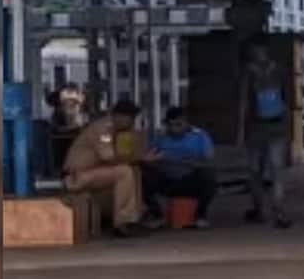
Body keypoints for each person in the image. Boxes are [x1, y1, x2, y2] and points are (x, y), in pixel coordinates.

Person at [62, 100, 152, 237]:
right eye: (131, 118)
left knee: (134, 171)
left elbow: (124, 157)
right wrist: (141, 158)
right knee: (124, 171)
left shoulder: (118, 131)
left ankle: (133, 219)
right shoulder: (103, 129)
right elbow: (108, 158)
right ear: (119, 117)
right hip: (76, 176)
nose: (132, 122)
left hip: (95, 174)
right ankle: (122, 223)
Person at [237, 35, 293, 229]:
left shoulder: (248, 72)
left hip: (255, 127)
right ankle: (279, 210)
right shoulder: (280, 70)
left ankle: (259, 210)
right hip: (277, 126)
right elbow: (288, 102)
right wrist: (289, 130)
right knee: (277, 170)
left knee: (255, 171)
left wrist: (240, 131)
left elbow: (244, 103)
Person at [142, 107, 217, 230]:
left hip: (189, 179)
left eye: (178, 124)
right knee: (141, 174)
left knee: (208, 175)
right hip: (165, 179)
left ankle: (200, 216)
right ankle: (156, 214)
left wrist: (183, 160)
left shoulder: (199, 136)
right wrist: (150, 160)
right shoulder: (161, 137)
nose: (174, 129)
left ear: (186, 123)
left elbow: (208, 159)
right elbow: (148, 155)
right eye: (170, 125)